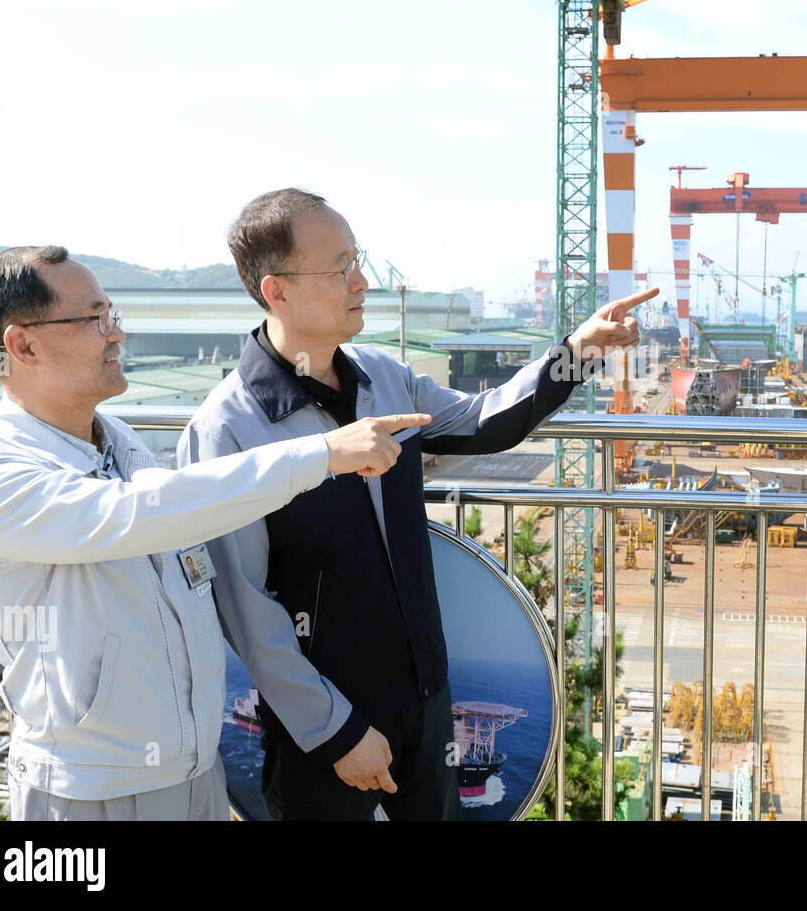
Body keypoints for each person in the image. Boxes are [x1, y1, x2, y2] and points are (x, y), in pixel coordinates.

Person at [179, 188, 655, 820]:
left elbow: (484, 423)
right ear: (277, 290)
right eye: (340, 267)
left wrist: (580, 352)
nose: (363, 280)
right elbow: (245, 608)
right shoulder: (228, 428)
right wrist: (335, 733)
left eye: (358, 259)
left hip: (426, 704)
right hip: (326, 732)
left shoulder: (383, 378)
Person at [0, 246, 426, 820]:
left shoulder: (119, 440)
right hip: (91, 790)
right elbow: (139, 513)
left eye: (113, 315)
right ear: (22, 344)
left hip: (198, 772)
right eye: (94, 319)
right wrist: (319, 455)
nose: (116, 335)